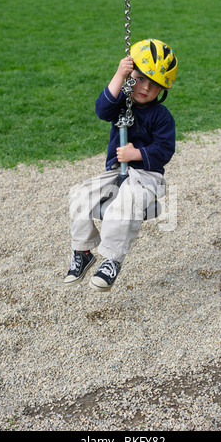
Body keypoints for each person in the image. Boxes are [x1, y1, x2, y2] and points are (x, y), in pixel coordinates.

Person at [64, 39, 178, 291]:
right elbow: (102, 110)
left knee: (123, 206)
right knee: (80, 196)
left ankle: (112, 260)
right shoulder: (121, 102)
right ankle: (82, 251)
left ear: (162, 89)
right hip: (117, 172)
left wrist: (136, 153)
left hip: (147, 176)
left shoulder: (161, 116)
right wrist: (119, 74)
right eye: (139, 78)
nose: (145, 88)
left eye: (154, 84)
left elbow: (165, 150)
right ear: (130, 77)